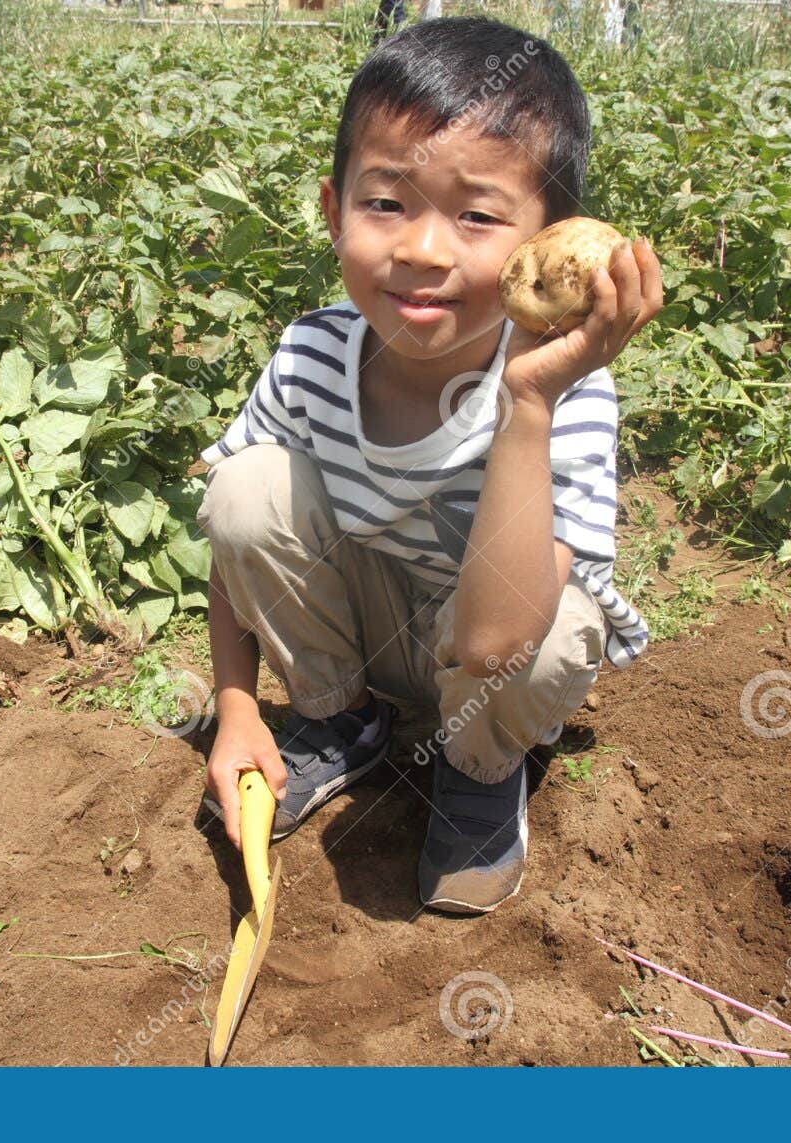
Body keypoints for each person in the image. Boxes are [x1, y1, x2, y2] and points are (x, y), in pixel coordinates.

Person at [195, 16, 662, 914]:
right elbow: (234, 548)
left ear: (543, 244)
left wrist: (527, 402)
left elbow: (496, 641)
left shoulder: (566, 395)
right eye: (386, 203)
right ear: (333, 212)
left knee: (556, 621)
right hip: (369, 630)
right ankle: (339, 720)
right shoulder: (309, 356)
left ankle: (480, 772)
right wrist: (238, 707)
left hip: (487, 657)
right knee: (244, 488)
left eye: (477, 216)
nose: (421, 249)